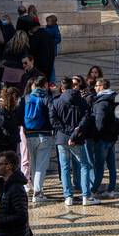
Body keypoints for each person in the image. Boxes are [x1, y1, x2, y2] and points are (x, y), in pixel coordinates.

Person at [51, 76, 97, 207]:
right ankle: (86, 196)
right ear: (72, 86)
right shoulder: (80, 100)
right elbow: (86, 116)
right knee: (84, 165)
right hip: (77, 138)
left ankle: (68, 197)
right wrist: (74, 132)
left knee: (65, 167)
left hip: (61, 138)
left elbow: (53, 121)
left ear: (62, 87)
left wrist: (66, 131)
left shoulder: (56, 101)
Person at [22, 75, 55, 203]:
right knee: (41, 165)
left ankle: (37, 189)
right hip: (44, 134)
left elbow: (20, 115)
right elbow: (52, 114)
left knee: (34, 164)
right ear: (45, 85)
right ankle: (38, 192)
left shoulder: (26, 98)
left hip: (30, 134)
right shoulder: (46, 97)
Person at [88, 78, 119, 197]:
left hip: (102, 138)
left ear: (101, 87)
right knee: (111, 165)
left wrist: (96, 136)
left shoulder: (101, 102)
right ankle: (111, 190)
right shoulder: (116, 99)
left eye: (96, 86)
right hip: (112, 138)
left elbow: (99, 123)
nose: (95, 88)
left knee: (99, 165)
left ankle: (93, 189)